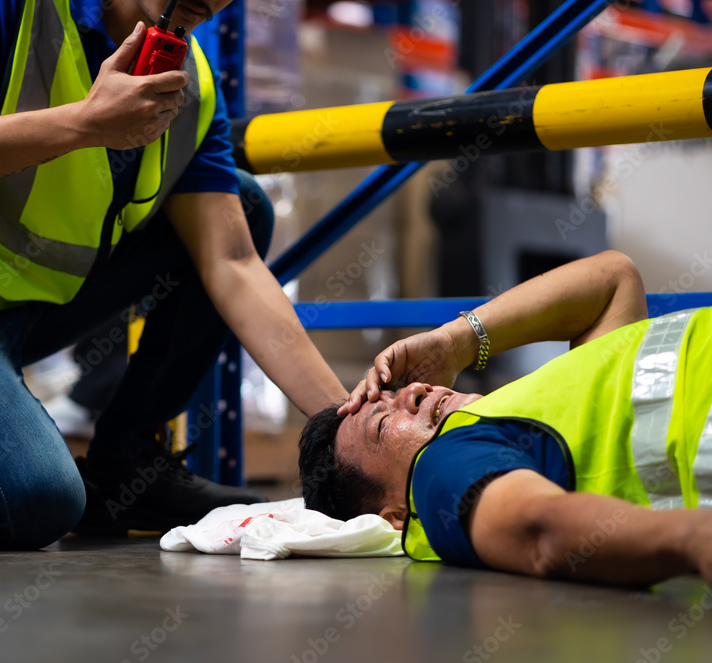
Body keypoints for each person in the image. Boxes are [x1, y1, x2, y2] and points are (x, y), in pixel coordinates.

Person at [0, 0, 347, 550]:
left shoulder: (189, 86)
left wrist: (345, 423)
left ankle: (130, 465)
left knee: (242, 204)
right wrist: (84, 123)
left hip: (23, 306)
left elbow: (232, 264)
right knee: (43, 503)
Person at [299, 250, 712, 586]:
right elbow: (541, 534)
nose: (411, 391)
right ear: (394, 516)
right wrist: (694, 538)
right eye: (383, 424)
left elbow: (614, 280)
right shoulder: (440, 465)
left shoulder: (525, 421)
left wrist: (453, 343)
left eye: (393, 391)